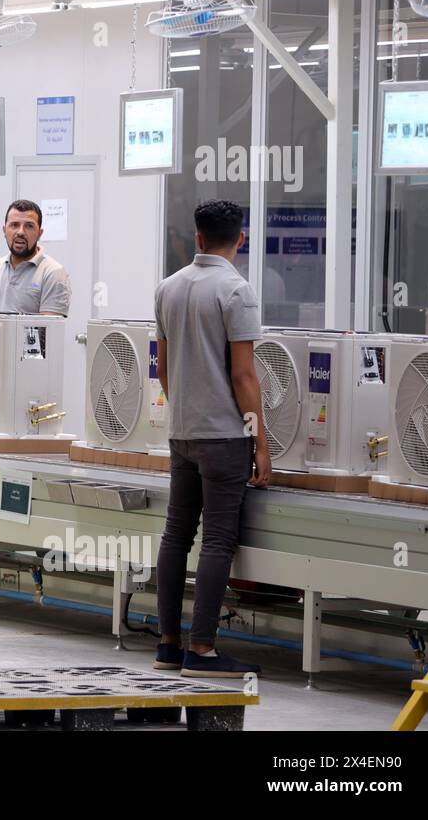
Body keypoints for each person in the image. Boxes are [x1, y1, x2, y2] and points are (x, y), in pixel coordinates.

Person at [153, 198, 270, 678]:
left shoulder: (167, 287)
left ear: (198, 238)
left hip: (181, 434)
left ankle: (167, 644)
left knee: (176, 534)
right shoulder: (236, 291)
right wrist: (260, 442)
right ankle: (202, 651)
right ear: (239, 239)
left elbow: (162, 367)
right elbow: (244, 376)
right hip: (224, 437)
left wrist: (183, 406)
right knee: (219, 540)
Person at [0, 199, 71, 315]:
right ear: (4, 231)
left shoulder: (53, 273)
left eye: (29, 226)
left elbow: (48, 330)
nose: (20, 232)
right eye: (14, 225)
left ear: (40, 234)